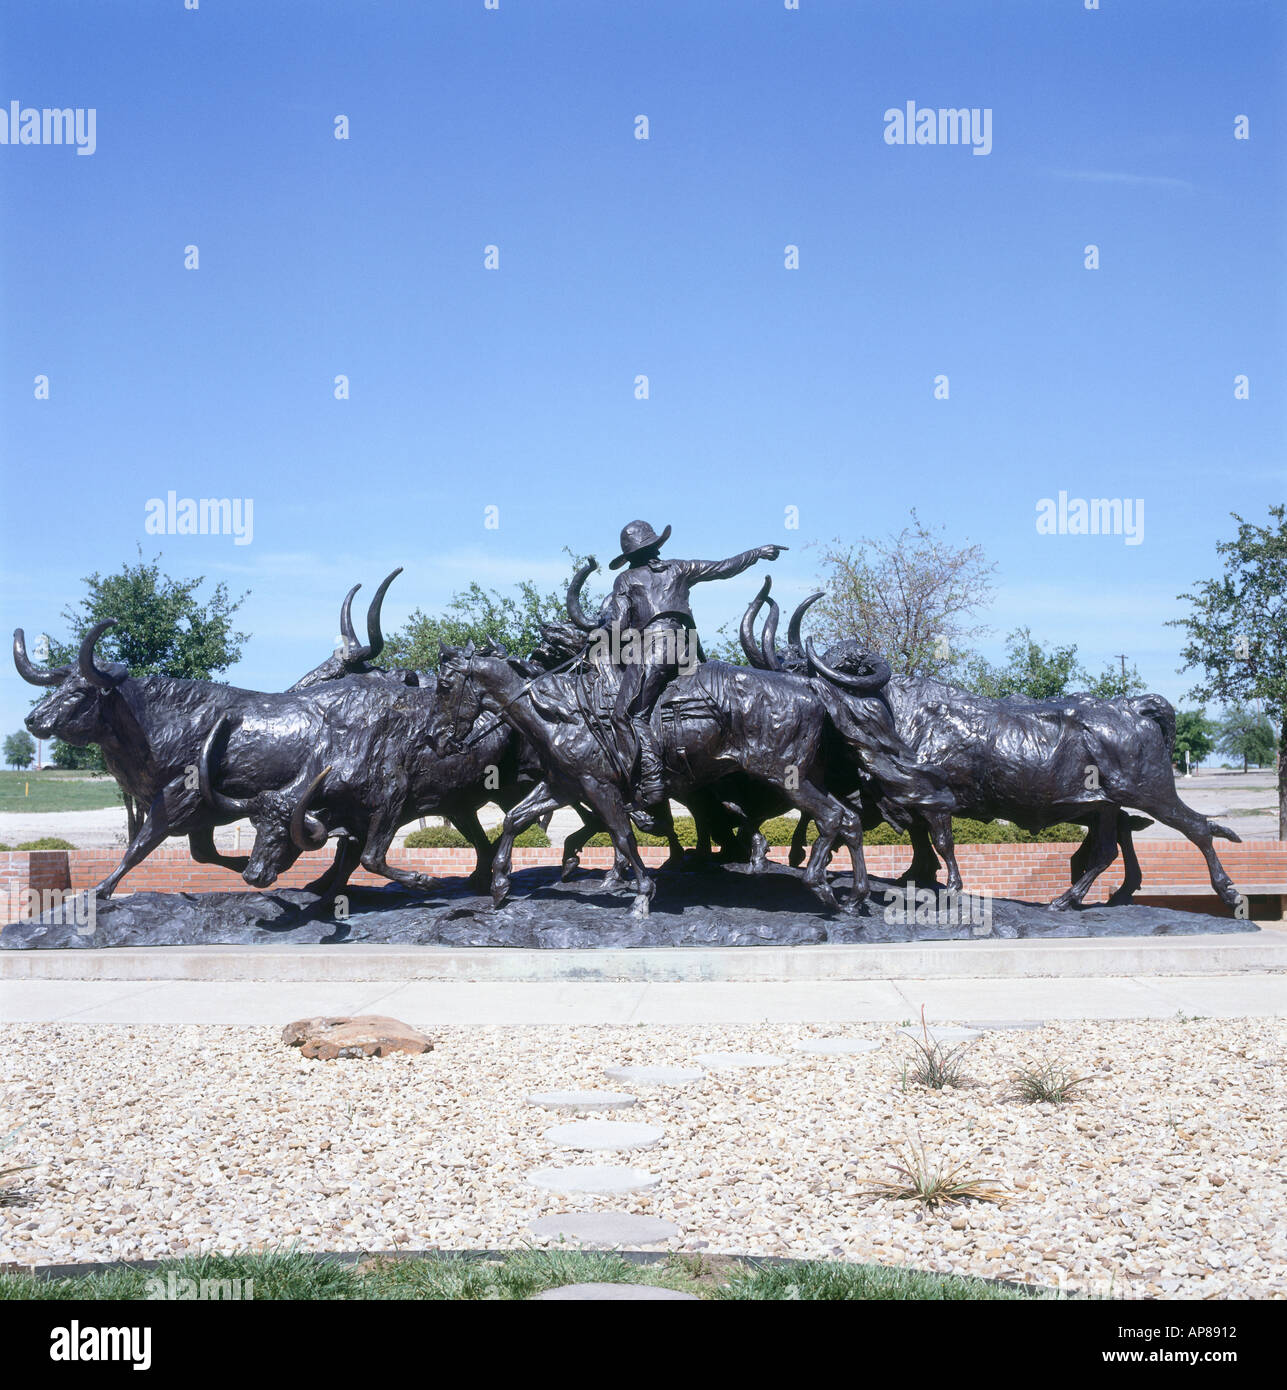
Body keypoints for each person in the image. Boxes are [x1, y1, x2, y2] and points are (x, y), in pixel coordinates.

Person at [601, 519, 783, 819]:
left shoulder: (626, 580)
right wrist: (757, 552)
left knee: (628, 714)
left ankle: (651, 785)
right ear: (655, 545)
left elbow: (619, 626)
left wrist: (602, 634)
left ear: (630, 555)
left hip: (655, 647)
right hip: (687, 649)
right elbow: (724, 567)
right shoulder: (679, 568)